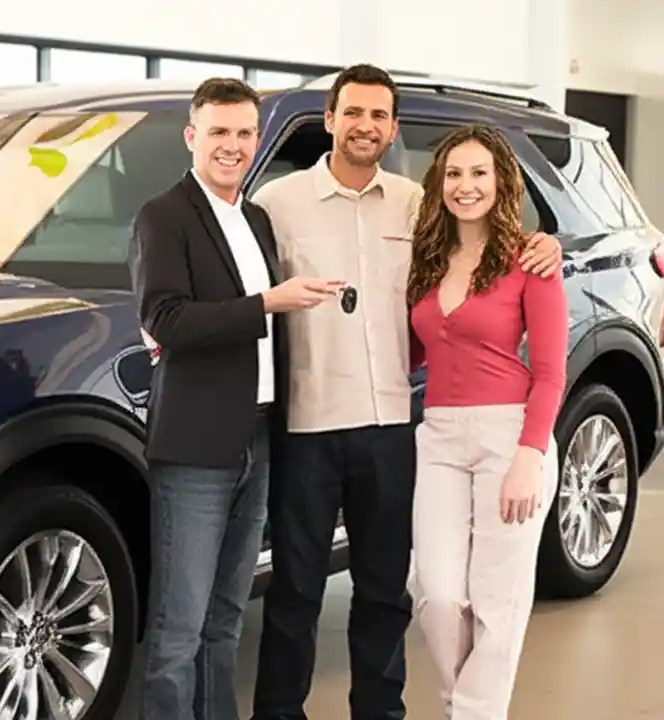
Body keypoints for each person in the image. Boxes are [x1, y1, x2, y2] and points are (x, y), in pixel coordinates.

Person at [248, 64, 563, 720]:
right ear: (329, 120)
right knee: (301, 589)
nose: (365, 126)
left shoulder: (418, 206)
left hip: (395, 426)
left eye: (378, 116)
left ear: (392, 129)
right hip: (311, 421)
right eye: (352, 112)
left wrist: (547, 244)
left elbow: (482, 261)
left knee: (387, 591)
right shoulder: (277, 206)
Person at [128, 76, 342, 720]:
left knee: (225, 619)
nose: (233, 145)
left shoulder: (253, 219)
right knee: (177, 629)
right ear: (193, 137)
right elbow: (166, 320)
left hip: (257, 438)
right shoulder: (163, 216)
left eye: (245, 133)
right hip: (196, 446)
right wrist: (267, 304)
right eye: (219, 131)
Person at [405, 124, 566, 719]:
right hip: (440, 436)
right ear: (438, 183)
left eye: (478, 173)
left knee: (499, 601)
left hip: (509, 438)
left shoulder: (531, 260)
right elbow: (415, 353)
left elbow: (550, 372)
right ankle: (463, 704)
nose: (465, 186)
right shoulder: (426, 260)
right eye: (453, 173)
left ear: (501, 182)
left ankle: (474, 714)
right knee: (439, 596)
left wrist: (530, 456)